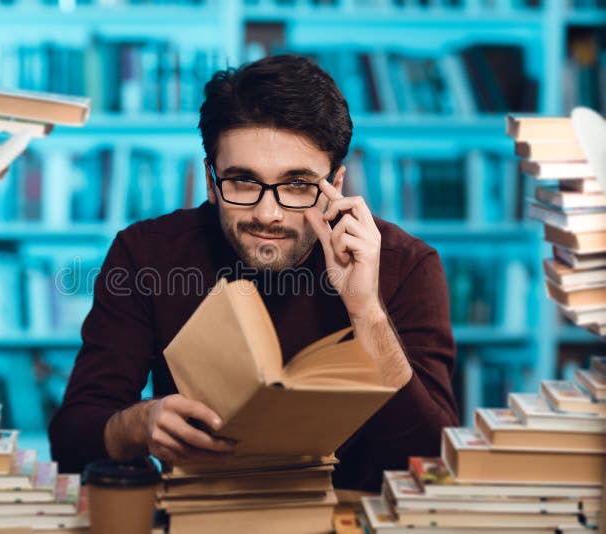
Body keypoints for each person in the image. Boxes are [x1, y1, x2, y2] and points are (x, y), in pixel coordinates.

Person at [49, 54, 459, 491]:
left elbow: (432, 461)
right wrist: (137, 426)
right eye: (242, 181)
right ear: (210, 182)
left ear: (336, 186)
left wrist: (366, 311)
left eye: (298, 185)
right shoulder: (146, 254)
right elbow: (70, 440)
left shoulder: (406, 264)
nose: (269, 213)